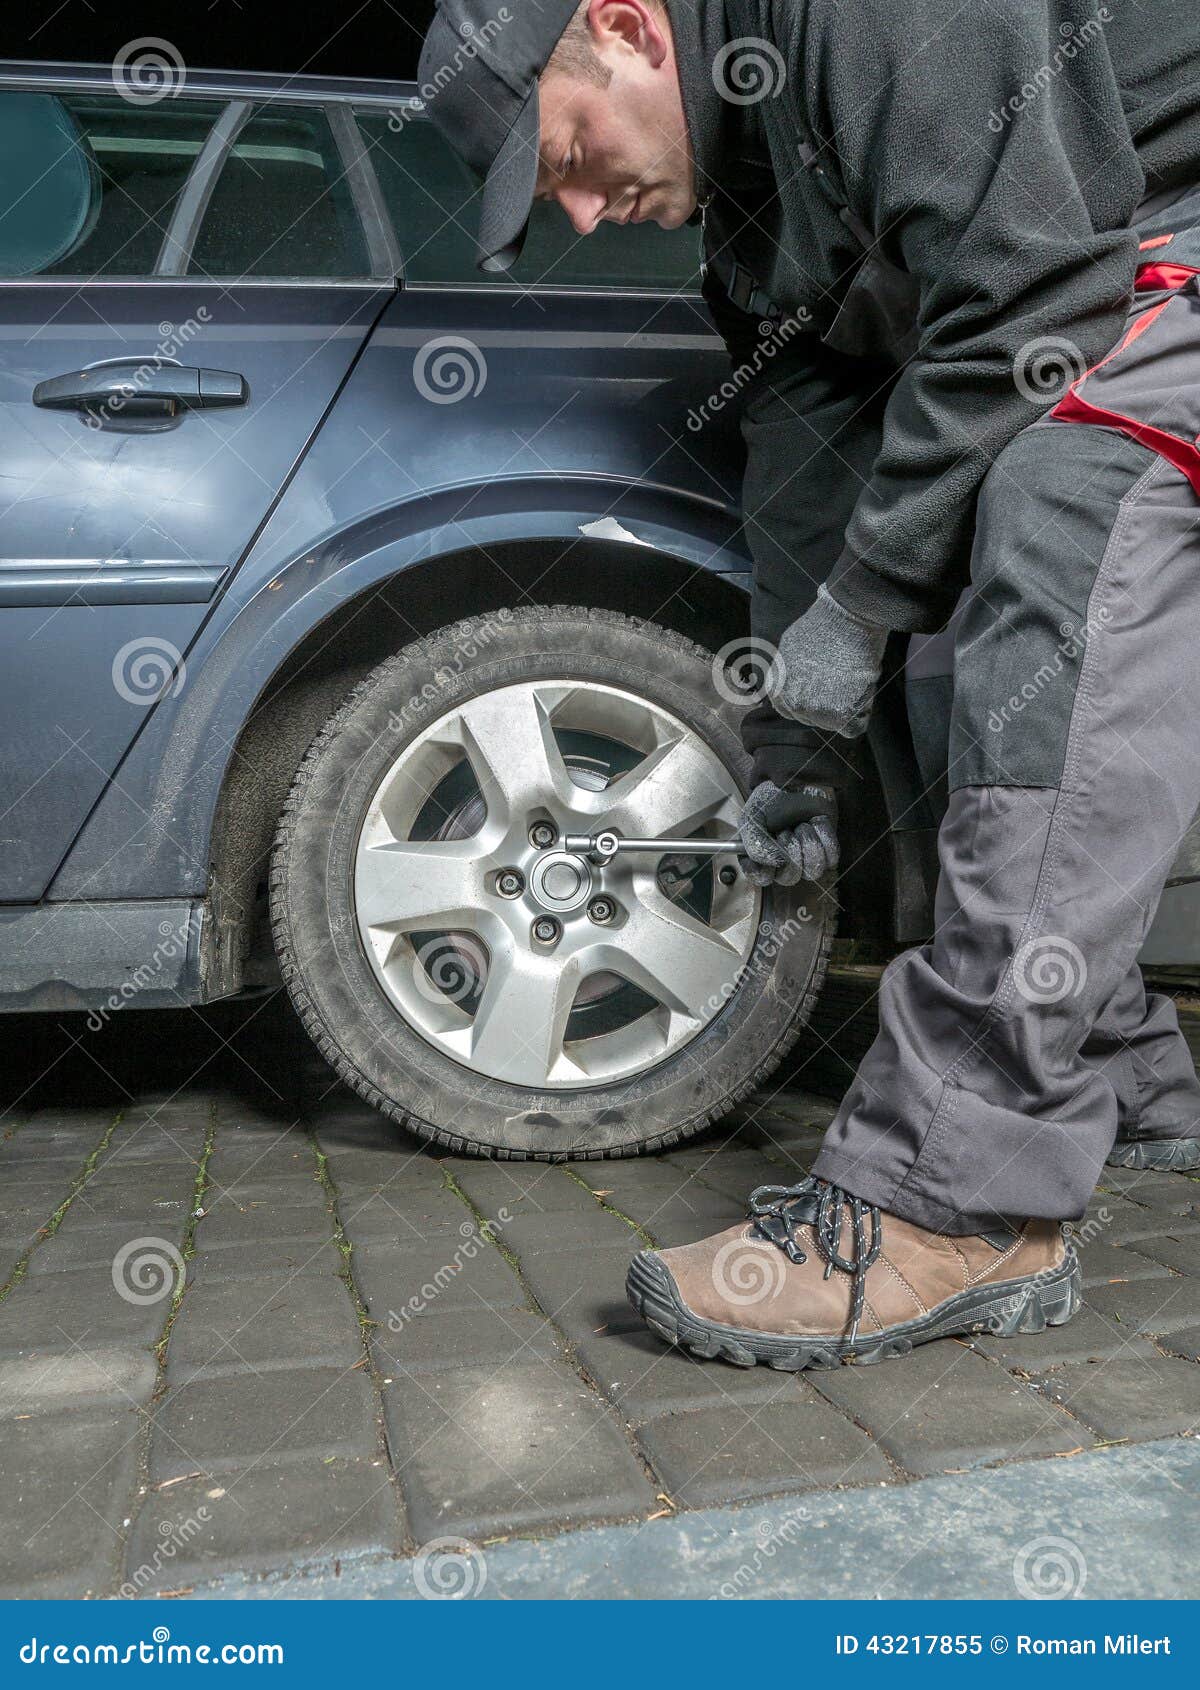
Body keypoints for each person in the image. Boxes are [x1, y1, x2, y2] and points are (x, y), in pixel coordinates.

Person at [418, 0, 1200, 1367]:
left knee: (1067, 501)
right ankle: (1120, 1072)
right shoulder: (750, 225)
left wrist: (860, 608)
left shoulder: (871, 18)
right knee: (952, 638)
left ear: (623, 27)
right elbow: (806, 464)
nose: (584, 215)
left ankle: (957, 1203)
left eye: (567, 157)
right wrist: (797, 738)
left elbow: (1033, 301)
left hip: (1130, 239)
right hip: (1095, 244)